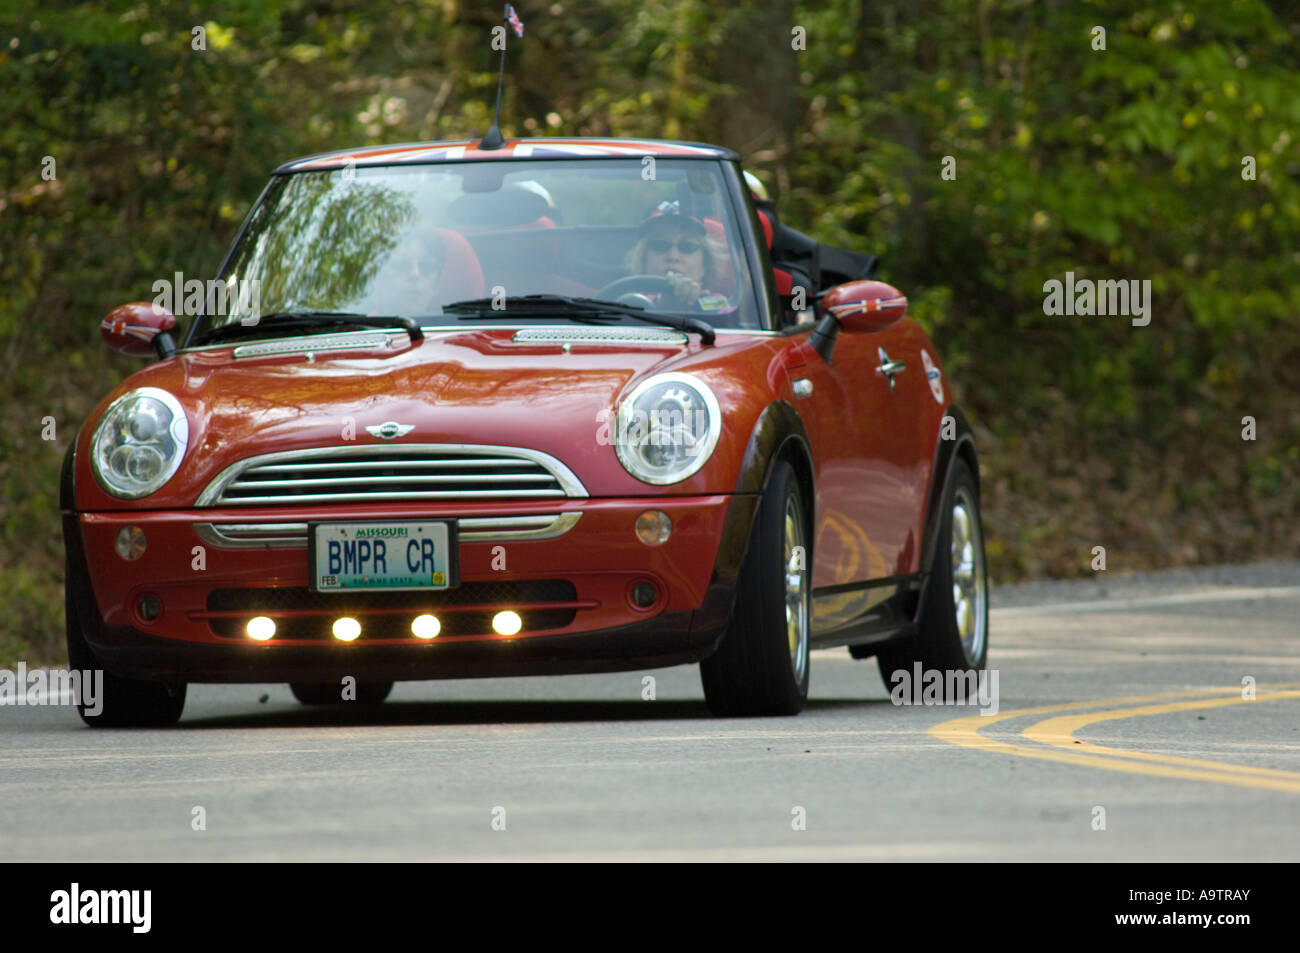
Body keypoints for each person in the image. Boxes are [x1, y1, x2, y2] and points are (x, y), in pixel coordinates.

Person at [625, 202, 725, 308]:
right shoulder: (628, 304)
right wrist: (661, 305)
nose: (673, 256)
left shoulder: (719, 305)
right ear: (643, 258)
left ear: (705, 262)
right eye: (660, 246)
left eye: (688, 247)